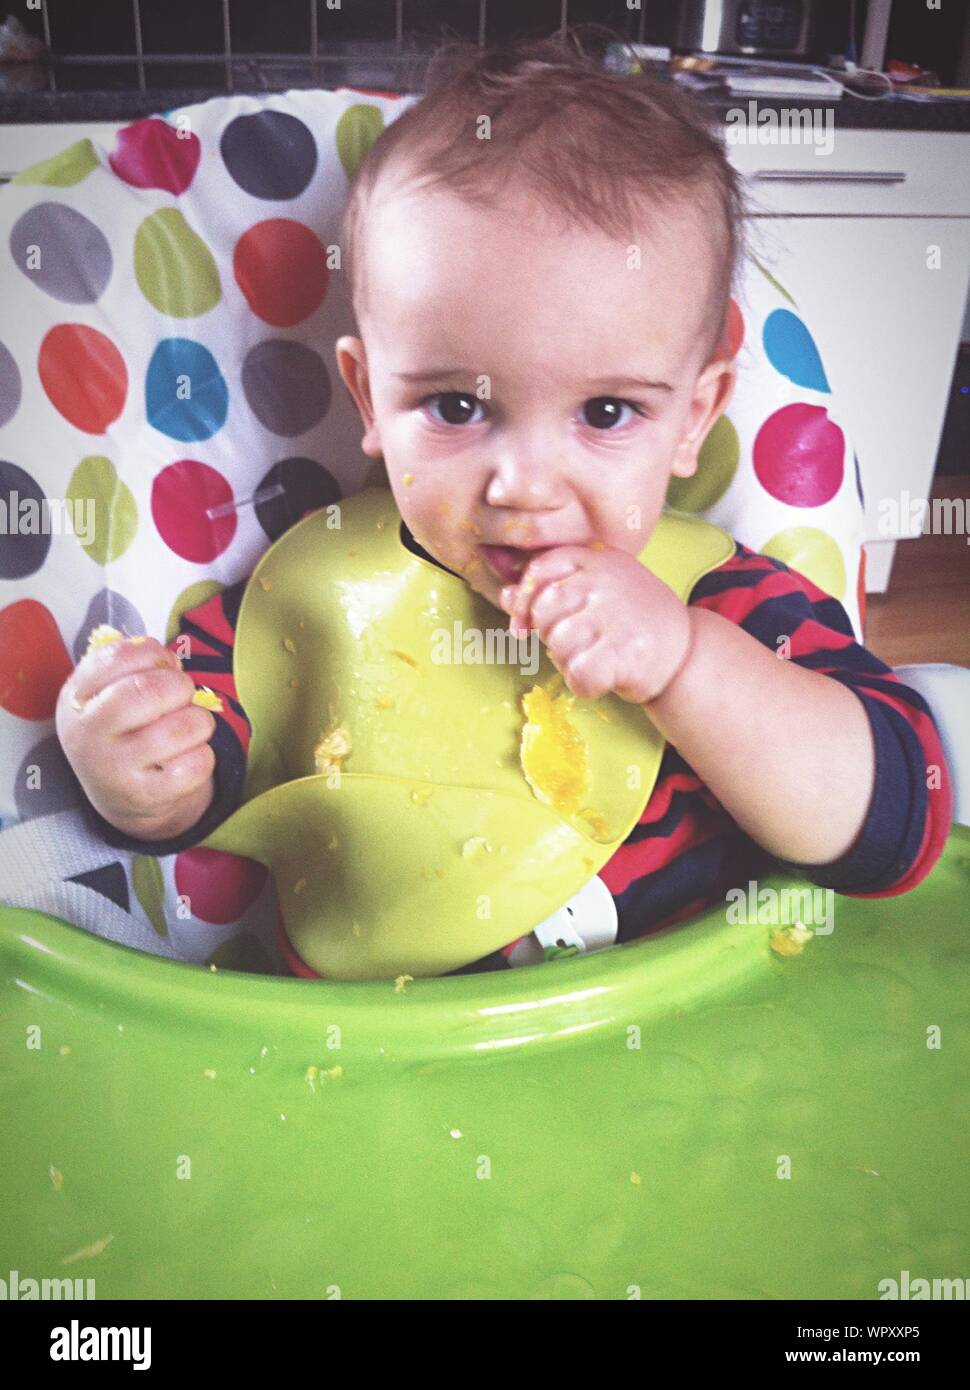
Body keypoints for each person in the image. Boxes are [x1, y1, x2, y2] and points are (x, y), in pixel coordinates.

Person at [55, 36, 953, 975]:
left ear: (694, 419)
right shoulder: (305, 594)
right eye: (456, 406)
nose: (523, 485)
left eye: (606, 412)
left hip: (668, 1039)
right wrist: (137, 773)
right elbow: (195, 779)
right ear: (369, 400)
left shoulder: (724, 600)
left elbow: (896, 823)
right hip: (366, 1046)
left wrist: (686, 666)